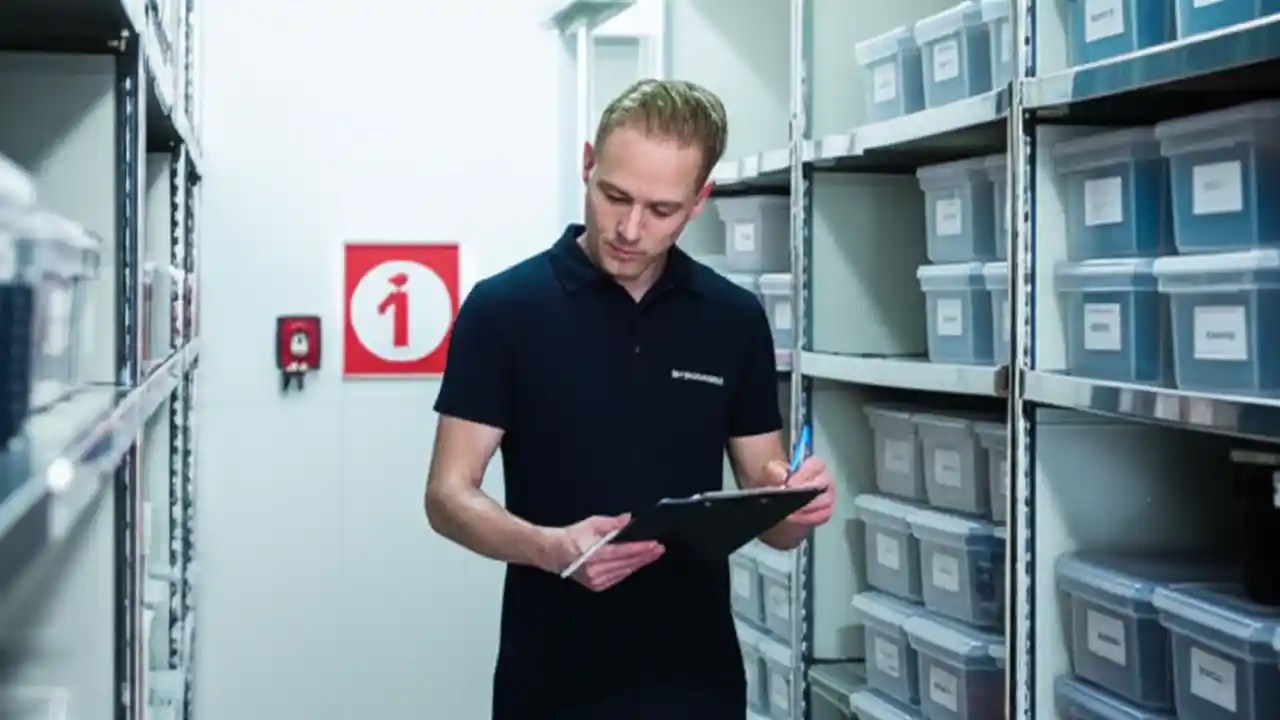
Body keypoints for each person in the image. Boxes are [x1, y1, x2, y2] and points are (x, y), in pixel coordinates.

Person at [425, 78, 836, 719]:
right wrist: (551, 546)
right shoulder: (504, 309)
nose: (629, 228)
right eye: (613, 195)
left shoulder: (733, 319)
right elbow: (448, 496)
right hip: (550, 683)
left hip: (697, 682)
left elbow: (772, 511)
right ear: (588, 164)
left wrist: (795, 502)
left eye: (661, 209)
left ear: (701, 201)